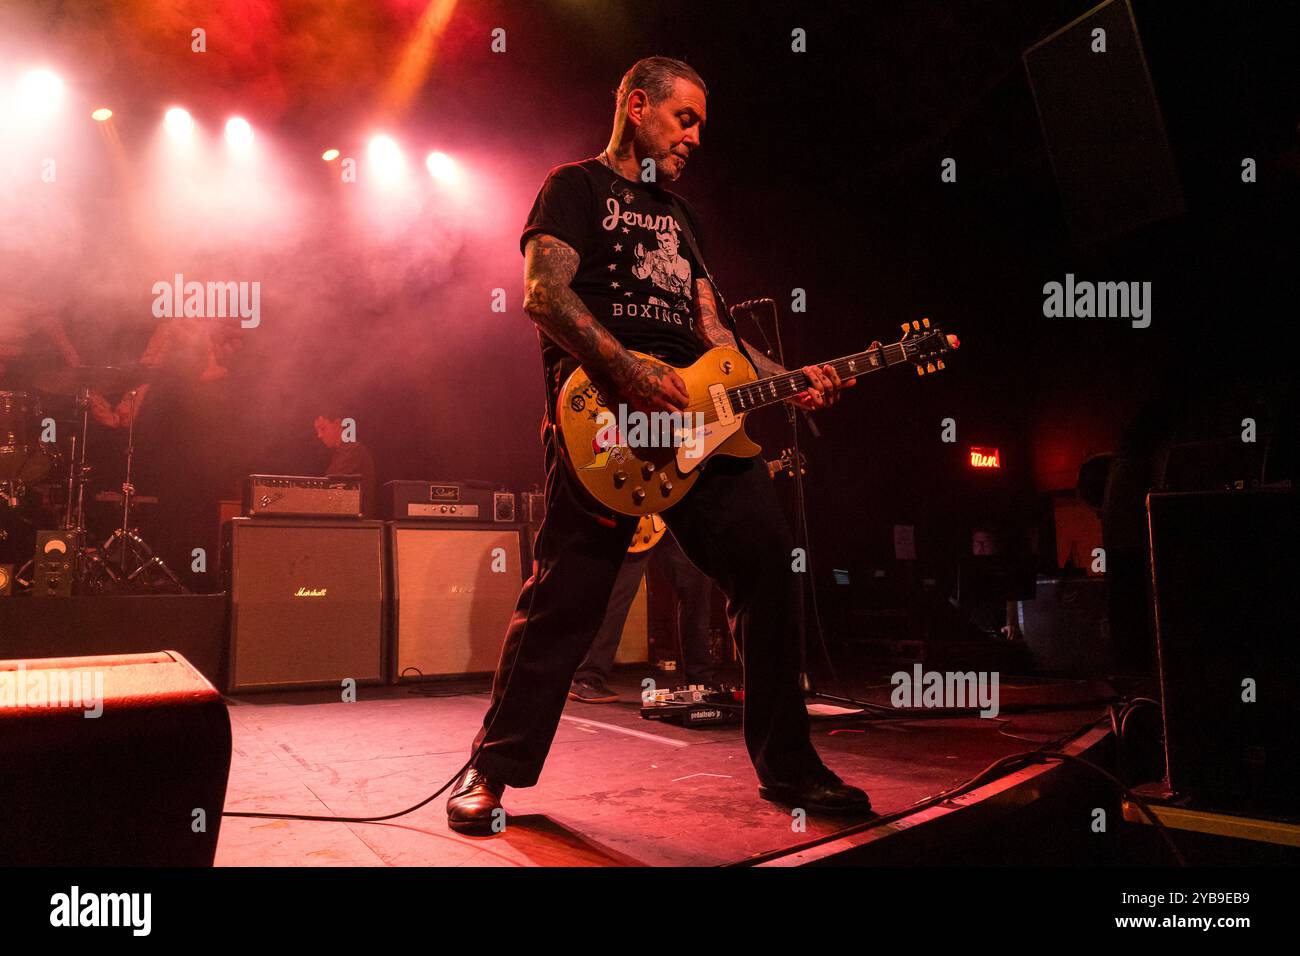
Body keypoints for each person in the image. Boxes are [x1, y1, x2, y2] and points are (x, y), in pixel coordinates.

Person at [447, 56, 869, 834]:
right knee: (564, 603)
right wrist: (627, 368)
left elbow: (716, 335)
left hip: (703, 425)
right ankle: (491, 770)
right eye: (686, 118)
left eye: (701, 124)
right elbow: (544, 293)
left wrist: (790, 376)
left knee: (770, 565)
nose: (697, 137)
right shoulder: (573, 188)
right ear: (637, 107)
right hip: (610, 420)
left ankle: (789, 768)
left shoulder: (682, 219)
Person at [569, 527, 718, 703]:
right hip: (638, 516)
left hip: (675, 518)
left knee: (697, 588)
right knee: (617, 596)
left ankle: (700, 680)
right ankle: (587, 678)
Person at [313, 411, 377, 517]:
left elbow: (333, 488)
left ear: (338, 424)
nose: (319, 435)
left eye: (323, 428)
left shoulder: (354, 451)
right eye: (317, 431)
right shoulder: (340, 454)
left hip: (357, 525)